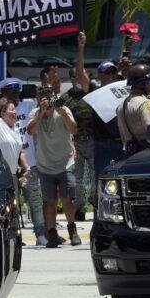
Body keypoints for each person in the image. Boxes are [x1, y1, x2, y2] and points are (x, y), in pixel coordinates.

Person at [27, 85, 81, 248]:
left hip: (65, 163)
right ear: (37, 99)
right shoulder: (35, 113)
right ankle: (51, 233)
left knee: (66, 199)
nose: (46, 100)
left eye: (48, 96)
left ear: (54, 97)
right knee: (49, 202)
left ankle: (72, 230)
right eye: (42, 97)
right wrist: (41, 112)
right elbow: (30, 131)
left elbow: (74, 129)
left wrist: (63, 113)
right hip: (45, 165)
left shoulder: (63, 109)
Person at [0, 77, 47, 245]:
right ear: (3, 92)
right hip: (10, 166)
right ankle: (15, 235)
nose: (15, 92)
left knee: (34, 200)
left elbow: (44, 104)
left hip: (29, 163)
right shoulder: (1, 114)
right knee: (13, 204)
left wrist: (46, 85)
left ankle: (41, 234)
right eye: (10, 89)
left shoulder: (28, 106)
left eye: (17, 89)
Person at [56, 32, 95, 221]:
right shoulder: (66, 98)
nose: (84, 76)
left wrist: (81, 47)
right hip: (77, 143)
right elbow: (57, 117)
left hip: (93, 141)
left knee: (96, 178)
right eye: (80, 75)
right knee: (78, 180)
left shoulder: (91, 91)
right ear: (72, 79)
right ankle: (79, 209)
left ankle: (95, 204)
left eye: (84, 74)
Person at [117, 64, 150, 155]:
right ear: (141, 83)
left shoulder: (121, 105)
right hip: (147, 155)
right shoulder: (146, 104)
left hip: (129, 154)